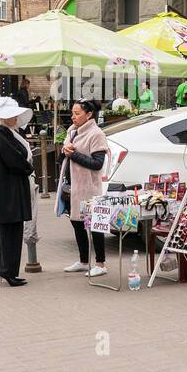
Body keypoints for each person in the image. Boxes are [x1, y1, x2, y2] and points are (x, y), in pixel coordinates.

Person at [0, 96, 35, 287]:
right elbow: (15, 160)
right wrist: (28, 167)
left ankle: (5, 269)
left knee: (4, 233)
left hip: (3, 191)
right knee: (11, 233)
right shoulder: (3, 133)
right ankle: (9, 271)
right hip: (8, 192)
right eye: (12, 115)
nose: (16, 118)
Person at [58, 99, 109, 277]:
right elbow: (65, 157)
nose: (73, 117)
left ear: (89, 115)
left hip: (88, 188)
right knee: (76, 222)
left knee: (94, 225)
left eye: (77, 113)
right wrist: (64, 151)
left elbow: (97, 164)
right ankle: (83, 261)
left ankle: (101, 263)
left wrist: (74, 154)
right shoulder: (72, 131)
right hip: (73, 187)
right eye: (72, 113)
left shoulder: (96, 134)